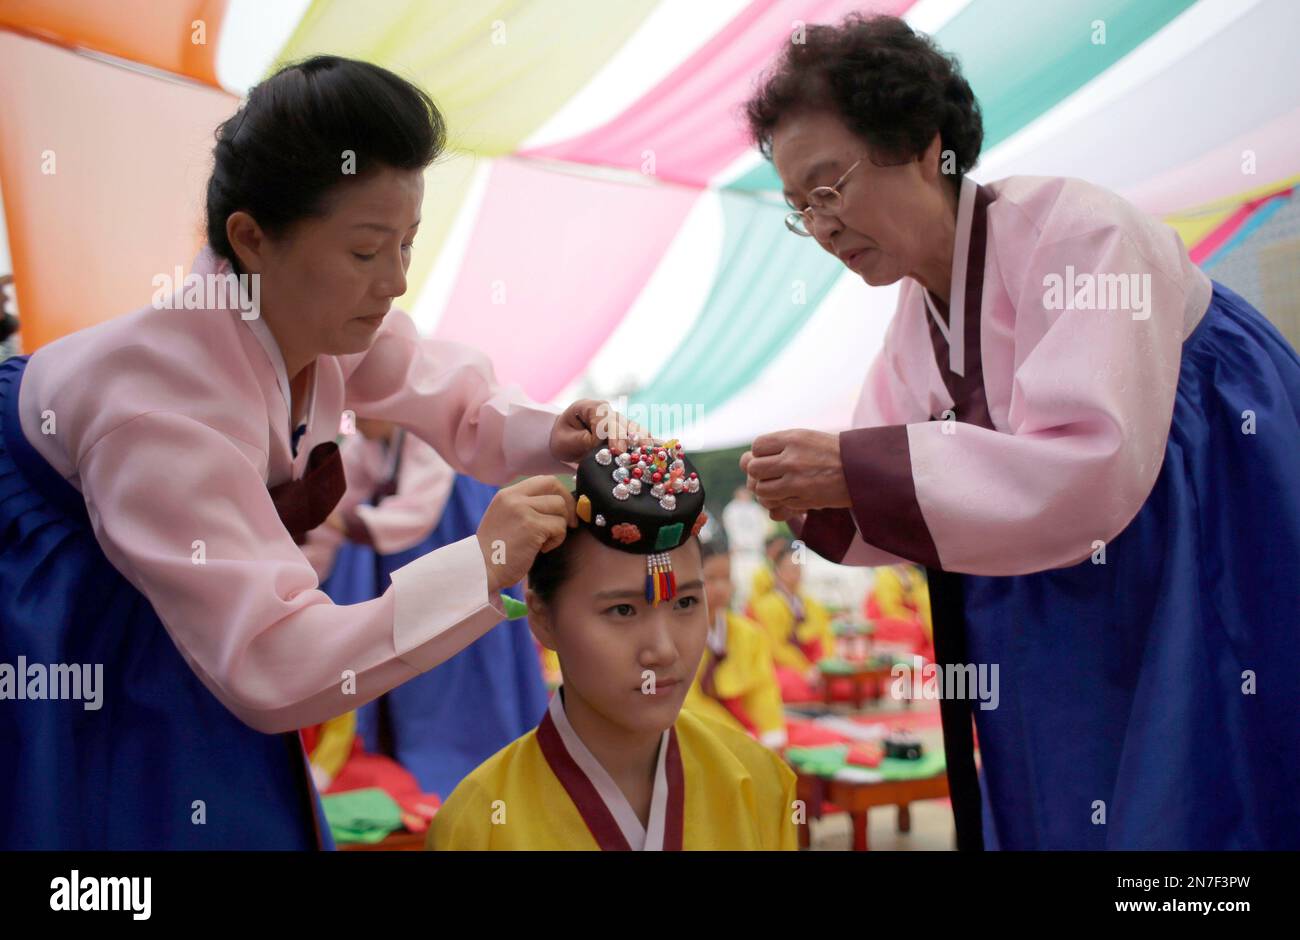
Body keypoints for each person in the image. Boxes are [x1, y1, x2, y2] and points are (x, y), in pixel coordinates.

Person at [0, 55, 647, 850]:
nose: (397, 282)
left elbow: (451, 394)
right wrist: (482, 565)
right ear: (251, 238)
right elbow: (274, 664)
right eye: (368, 251)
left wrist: (552, 431)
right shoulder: (160, 413)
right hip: (76, 608)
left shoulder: (307, 317)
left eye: (408, 244)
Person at [739, 14, 1299, 849]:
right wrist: (811, 490)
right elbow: (896, 491)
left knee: (1210, 787)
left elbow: (1092, 466)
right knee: (1072, 800)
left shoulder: (1080, 234)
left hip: (1198, 526)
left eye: (828, 188)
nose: (819, 226)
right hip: (1059, 603)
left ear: (926, 145)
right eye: (797, 208)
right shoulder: (911, 332)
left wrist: (856, 470)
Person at [427, 443, 797, 850]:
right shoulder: (479, 826)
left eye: (686, 603)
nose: (663, 650)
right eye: (622, 610)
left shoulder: (761, 784)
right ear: (542, 617)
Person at [683, 537, 787, 748]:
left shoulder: (748, 632)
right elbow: (686, 703)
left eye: (726, 578)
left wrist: (771, 730)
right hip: (700, 729)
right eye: (710, 578)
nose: (721, 588)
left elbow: (762, 687)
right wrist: (738, 736)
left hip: (742, 719)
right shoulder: (678, 636)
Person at [750, 540, 835, 703]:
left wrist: (824, 667)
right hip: (784, 666)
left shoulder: (811, 604)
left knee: (840, 680)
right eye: (791, 568)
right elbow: (776, 648)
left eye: (799, 568)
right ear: (778, 571)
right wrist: (805, 670)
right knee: (787, 684)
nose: (796, 573)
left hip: (814, 666)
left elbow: (826, 635)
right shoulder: (767, 605)